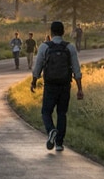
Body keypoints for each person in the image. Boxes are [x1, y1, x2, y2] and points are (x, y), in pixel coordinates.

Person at [30, 21, 83, 152]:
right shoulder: (69, 47)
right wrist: (80, 89)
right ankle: (59, 143)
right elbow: (76, 69)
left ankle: (51, 130)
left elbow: (38, 67)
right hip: (65, 85)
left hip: (50, 85)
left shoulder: (44, 47)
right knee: (61, 113)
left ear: (51, 32)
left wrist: (34, 81)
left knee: (46, 112)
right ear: (63, 32)